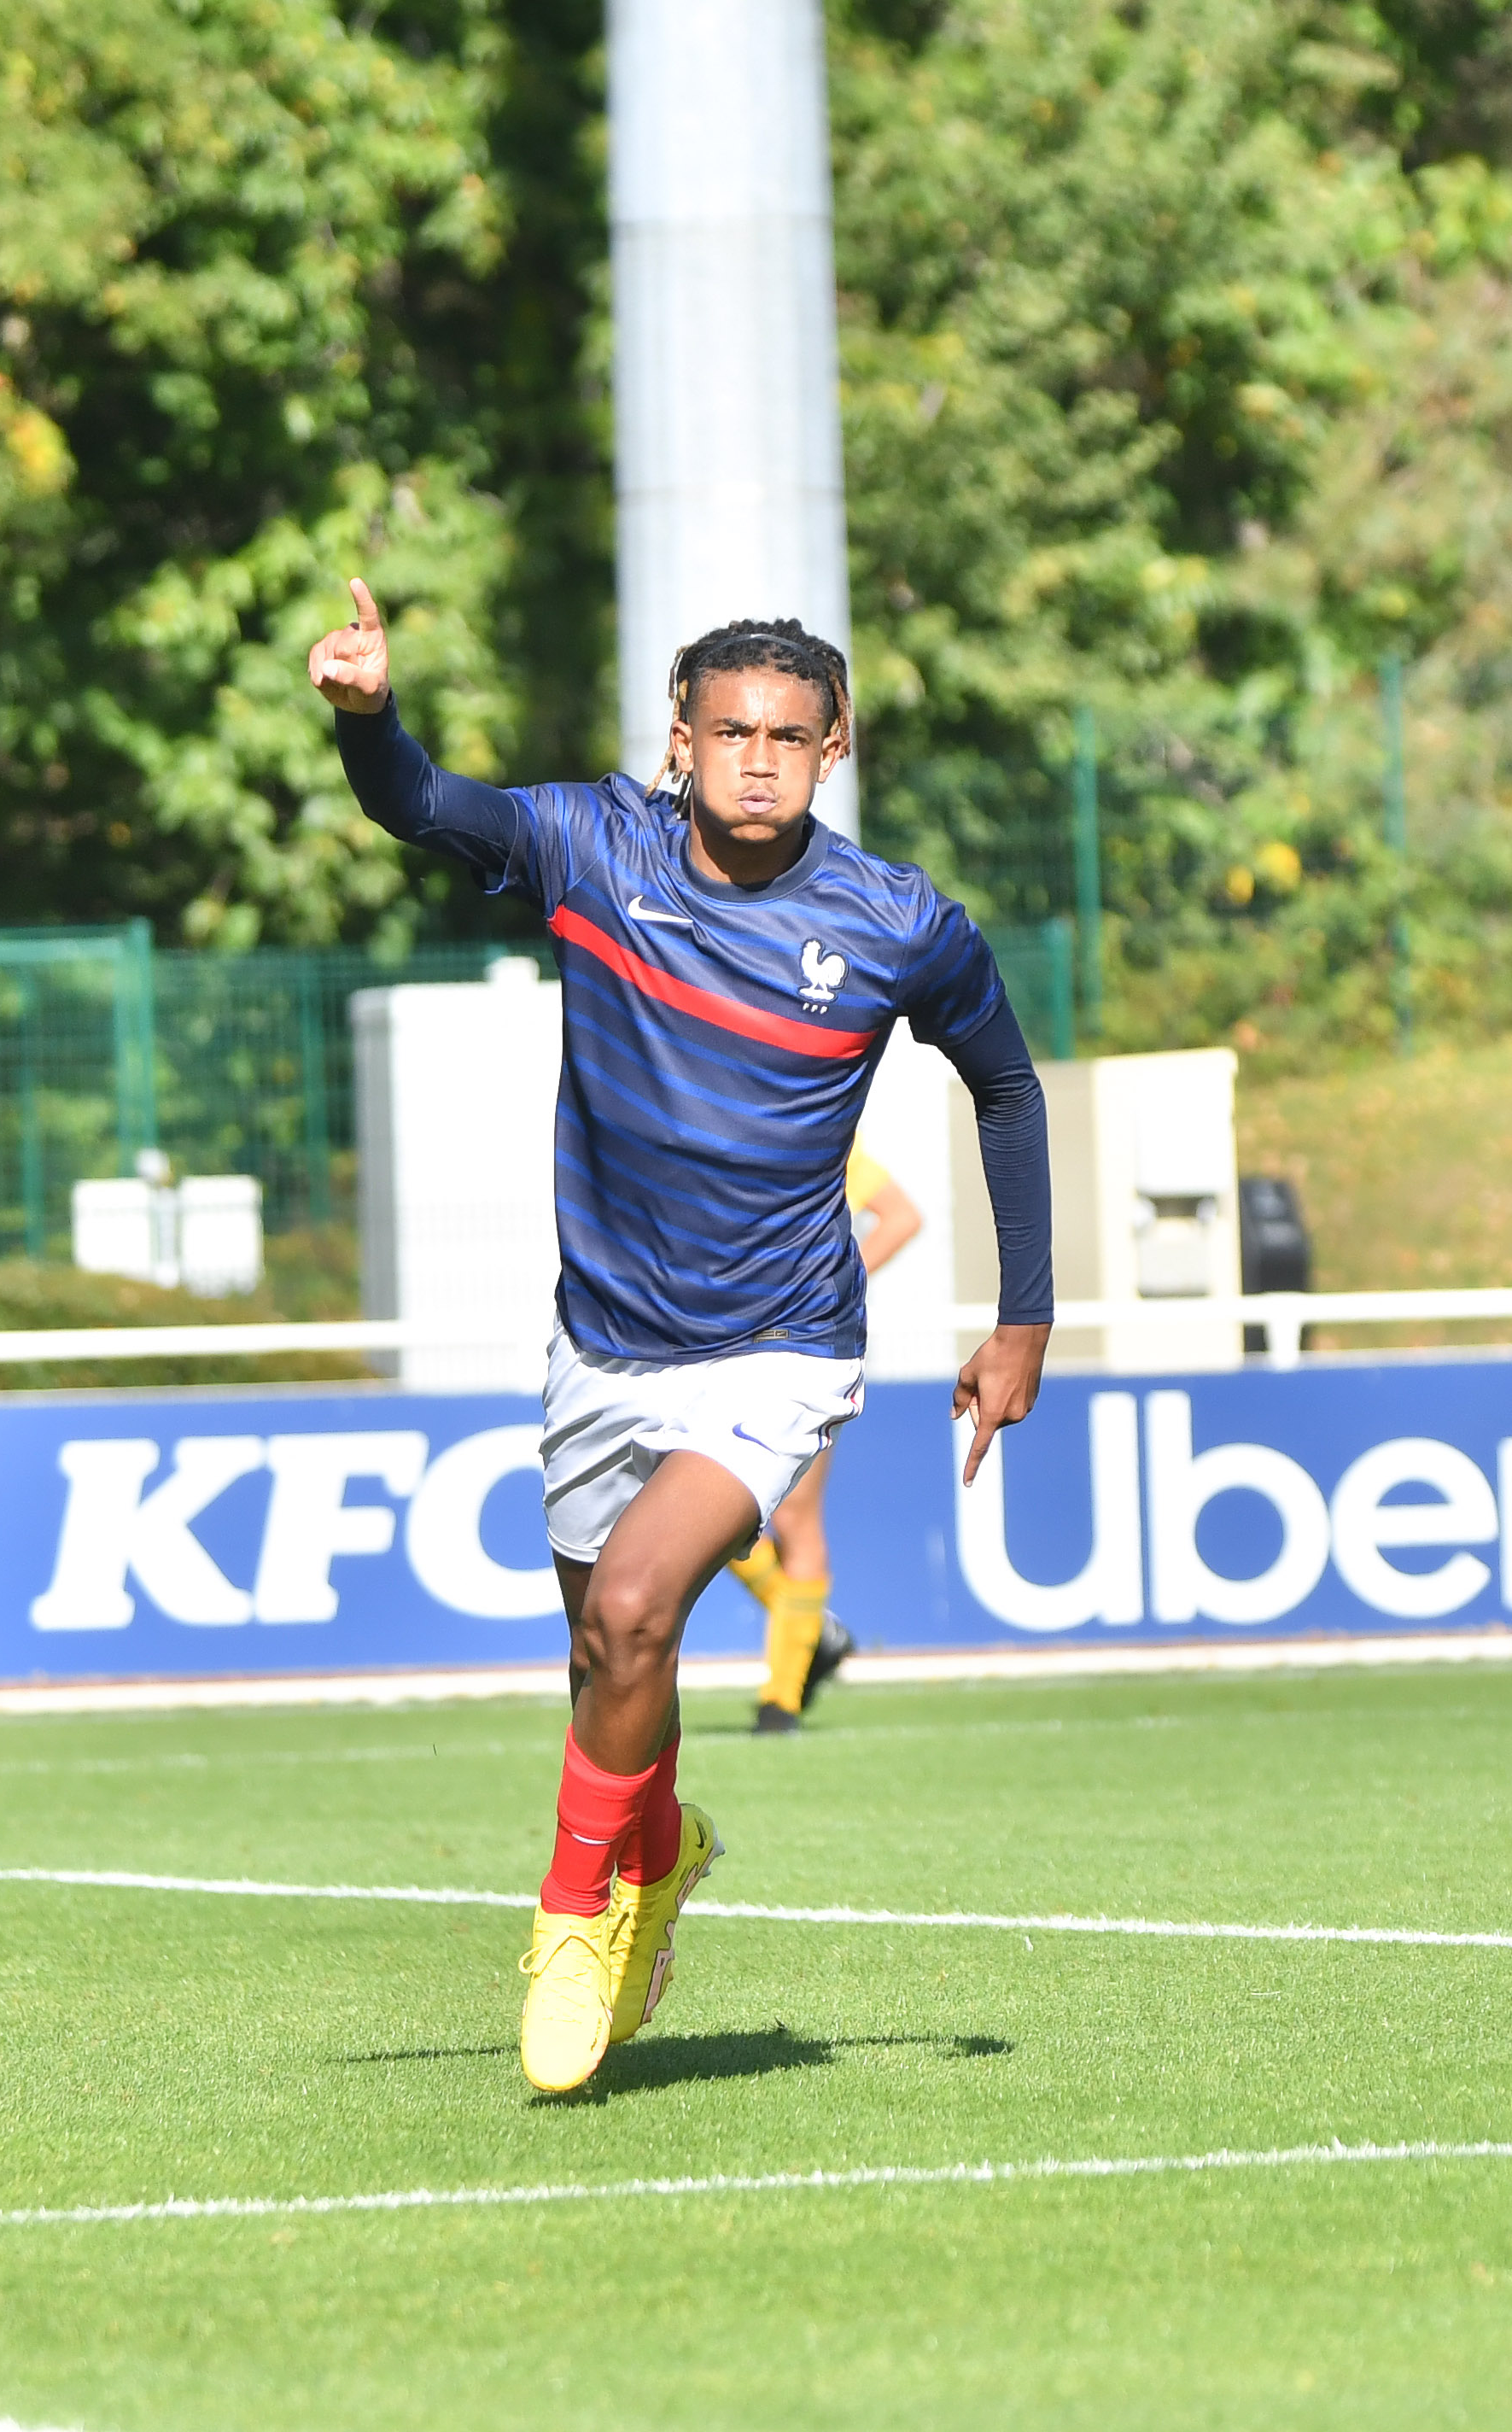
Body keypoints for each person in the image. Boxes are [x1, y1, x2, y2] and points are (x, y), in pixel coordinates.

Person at [311, 580, 1054, 2096]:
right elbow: (424, 805)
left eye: (788, 735)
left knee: (641, 1605)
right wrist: (370, 720)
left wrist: (1021, 1315)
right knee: (607, 1657)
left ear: (834, 747)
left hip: (779, 1343)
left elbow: (1006, 1087)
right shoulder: (595, 846)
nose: (757, 759)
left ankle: (573, 1920)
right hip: (600, 1342)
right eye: (730, 732)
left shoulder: (898, 921)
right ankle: (659, 1854)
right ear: (680, 737)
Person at [727, 1146, 924, 1732]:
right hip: (721, 1348)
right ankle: (817, 1632)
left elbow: (902, 1217)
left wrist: (829, 1283)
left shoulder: (821, 1128)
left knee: (796, 1518)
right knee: (710, 1520)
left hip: (805, 1348)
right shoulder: (718, 1126)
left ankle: (780, 1701)